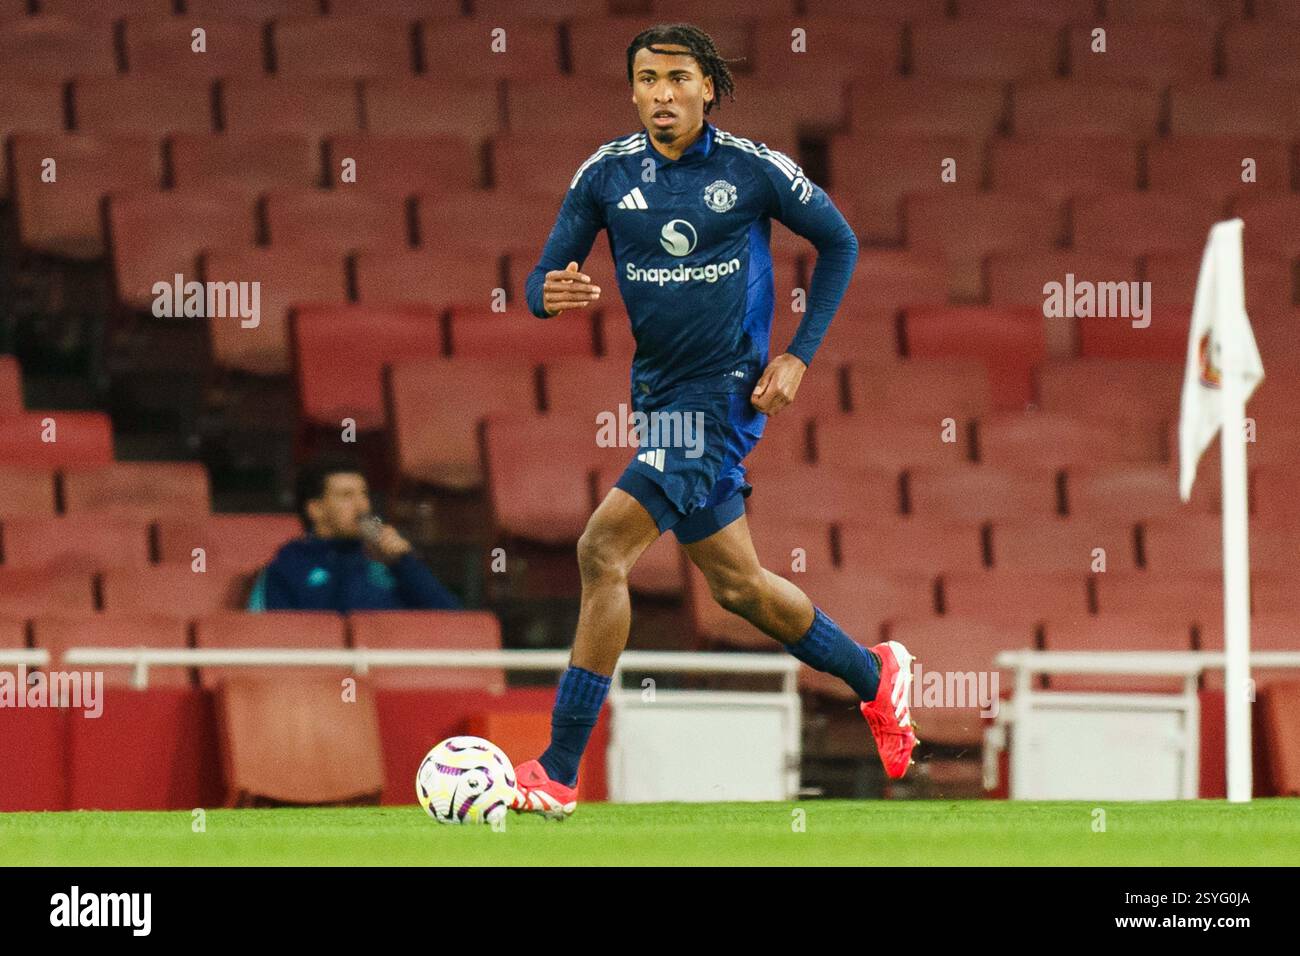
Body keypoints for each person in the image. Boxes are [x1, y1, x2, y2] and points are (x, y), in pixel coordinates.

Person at [513, 24, 916, 818]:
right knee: (738, 586)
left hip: (725, 396)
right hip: (658, 399)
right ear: (632, 91)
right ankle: (876, 675)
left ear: (707, 89)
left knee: (602, 549)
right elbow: (539, 275)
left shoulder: (752, 169)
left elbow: (838, 242)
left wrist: (797, 354)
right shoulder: (605, 176)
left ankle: (558, 771)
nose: (660, 92)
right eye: (646, 79)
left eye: (676, 78)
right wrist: (544, 294)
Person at [248, 458, 460, 612]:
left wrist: (405, 562)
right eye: (346, 496)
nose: (362, 507)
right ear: (316, 509)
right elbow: (270, 646)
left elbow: (452, 623)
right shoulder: (285, 568)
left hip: (396, 670)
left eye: (364, 494)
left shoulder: (390, 562)